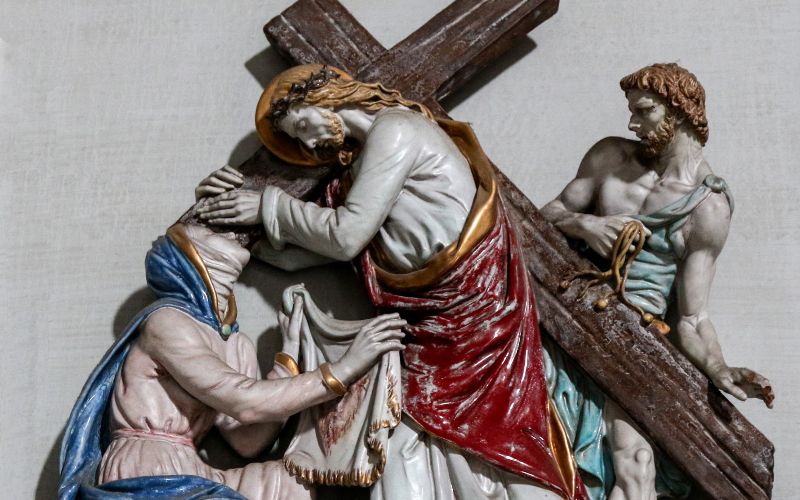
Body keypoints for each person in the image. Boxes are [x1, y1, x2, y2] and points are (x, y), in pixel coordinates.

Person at [197, 64, 588, 499]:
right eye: (298, 139)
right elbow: (300, 255)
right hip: (423, 324)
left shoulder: (396, 130)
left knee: (494, 437)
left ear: (326, 98)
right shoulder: (356, 175)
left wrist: (266, 205)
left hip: (475, 317)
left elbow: (344, 237)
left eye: (303, 125)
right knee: (410, 444)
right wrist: (223, 219)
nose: (308, 144)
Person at [540, 63, 774, 498]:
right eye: (631, 111)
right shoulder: (610, 157)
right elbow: (546, 215)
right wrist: (585, 225)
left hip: (633, 339)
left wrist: (718, 367)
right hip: (566, 312)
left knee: (636, 464)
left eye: (643, 111)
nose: (632, 123)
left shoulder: (707, 207)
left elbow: (692, 316)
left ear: (680, 112)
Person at [58, 223, 405, 500]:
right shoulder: (167, 323)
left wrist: (288, 352)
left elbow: (247, 440)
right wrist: (343, 370)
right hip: (148, 467)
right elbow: (245, 402)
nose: (227, 236)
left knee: (291, 483)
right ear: (187, 260)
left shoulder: (233, 343)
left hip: (191, 468)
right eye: (209, 232)